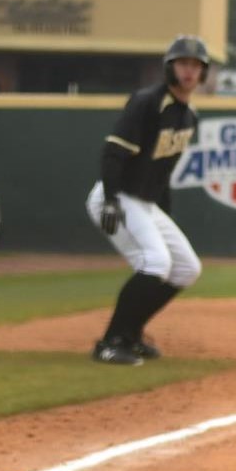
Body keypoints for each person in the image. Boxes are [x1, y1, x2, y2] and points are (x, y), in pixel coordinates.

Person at [84, 35, 208, 366]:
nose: (189, 71)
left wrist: (163, 214)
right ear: (169, 68)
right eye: (182, 64)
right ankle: (111, 342)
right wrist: (110, 200)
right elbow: (113, 152)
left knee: (187, 268)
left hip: (145, 203)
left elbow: (162, 170)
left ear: (203, 72)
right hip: (118, 195)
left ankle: (132, 334)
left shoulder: (189, 115)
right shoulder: (148, 101)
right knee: (155, 262)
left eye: (196, 65)